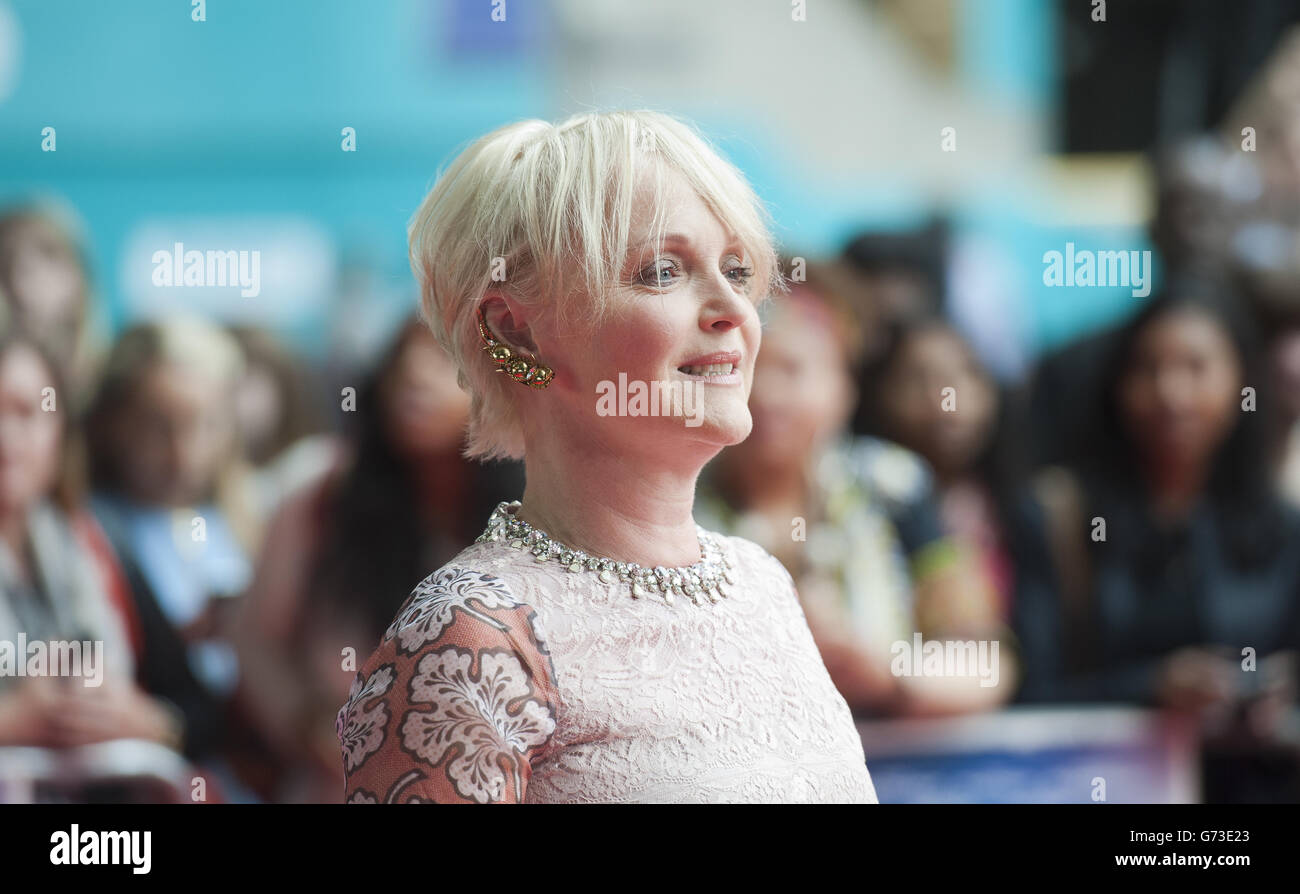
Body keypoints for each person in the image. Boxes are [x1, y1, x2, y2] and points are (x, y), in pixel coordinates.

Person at [335, 109, 878, 803]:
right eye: (661, 271)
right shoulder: (469, 634)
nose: (733, 310)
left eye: (738, 270)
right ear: (516, 332)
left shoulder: (761, 582)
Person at [1013, 279, 1300, 800]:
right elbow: (1028, 693)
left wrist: (1276, 696)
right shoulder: (1060, 520)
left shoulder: (1282, 528)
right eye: (1148, 369)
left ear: (1242, 384)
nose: (1171, 394)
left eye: (1196, 368)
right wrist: (1151, 689)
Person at [695, 267, 1017, 717]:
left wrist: (887, 677)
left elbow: (988, 665)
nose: (766, 393)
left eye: (792, 369)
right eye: (743, 367)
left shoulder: (894, 487)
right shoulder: (673, 501)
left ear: (842, 389)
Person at [234, 315, 523, 802]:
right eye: (401, 359)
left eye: (442, 357)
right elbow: (255, 639)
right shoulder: (322, 494)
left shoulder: (535, 514)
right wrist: (304, 724)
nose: (413, 373)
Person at [0, 326, 183, 754]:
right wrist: (11, 721)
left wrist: (148, 723)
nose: (5, 439)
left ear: (61, 429)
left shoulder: (92, 543)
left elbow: (193, 707)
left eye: (26, 413)